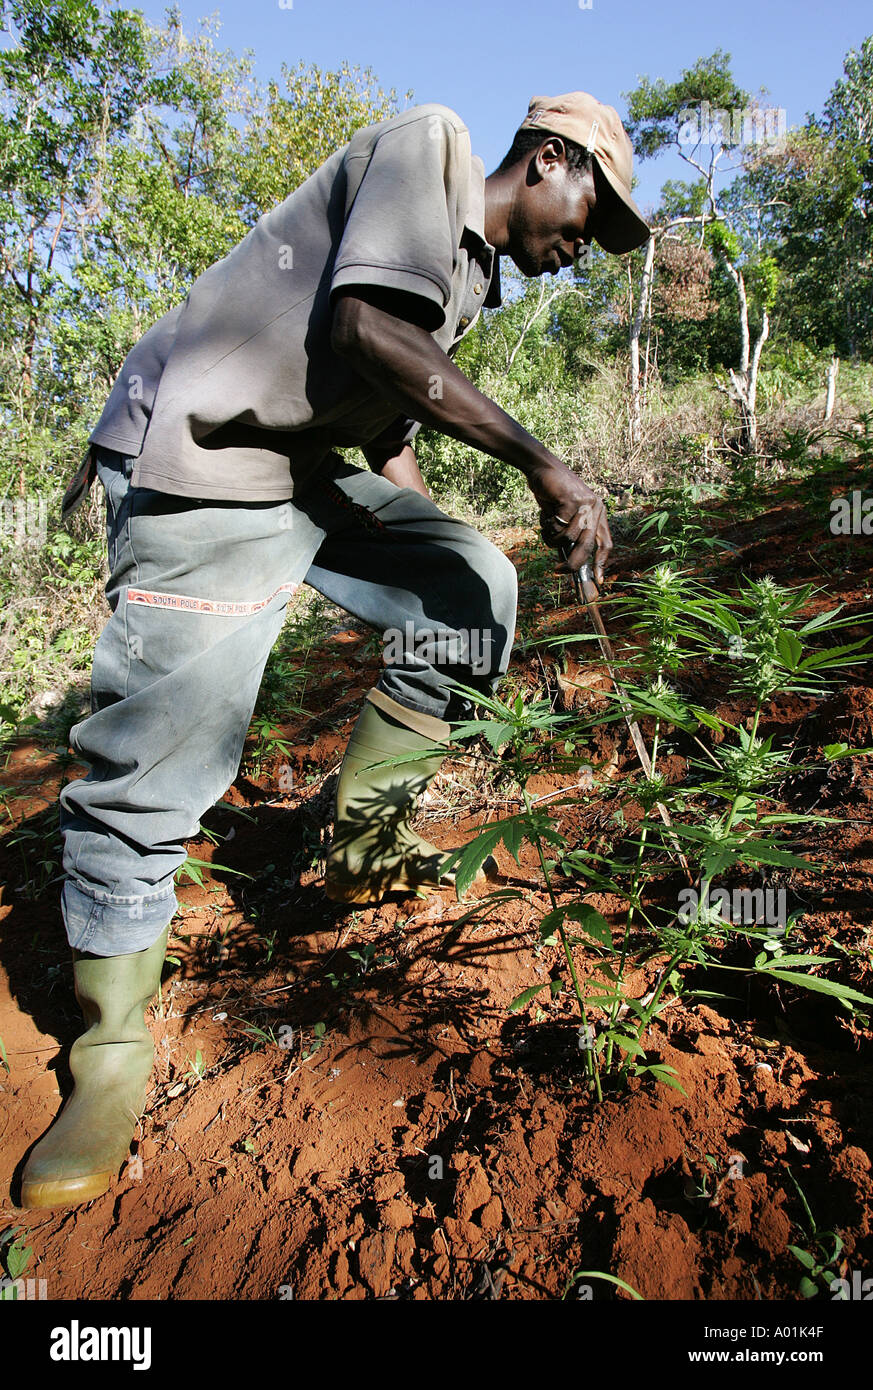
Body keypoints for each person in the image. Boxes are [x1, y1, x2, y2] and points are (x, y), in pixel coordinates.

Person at [19, 91, 650, 1210]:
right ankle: (109, 1051)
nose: (582, 251)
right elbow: (365, 326)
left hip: (302, 467)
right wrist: (543, 465)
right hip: (204, 461)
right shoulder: (433, 146)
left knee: (471, 585)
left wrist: (429, 549)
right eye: (590, 220)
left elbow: (387, 416)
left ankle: (357, 844)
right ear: (549, 158)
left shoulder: (466, 278)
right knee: (157, 756)